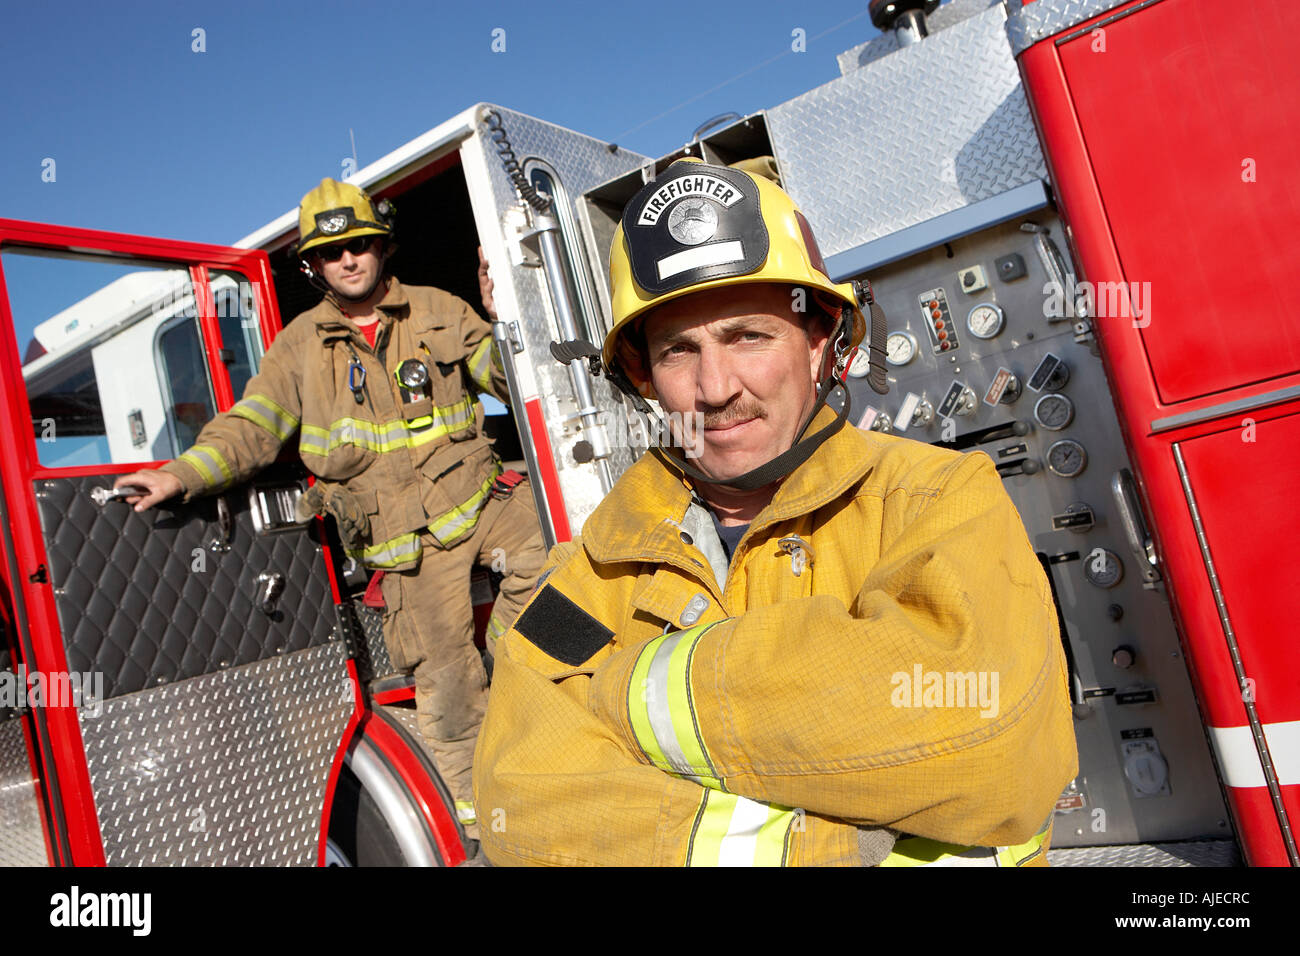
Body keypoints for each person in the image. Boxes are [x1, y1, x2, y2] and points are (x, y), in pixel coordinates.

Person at [472, 157, 1077, 866]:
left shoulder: (939, 499)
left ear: (821, 343)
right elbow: (523, 803)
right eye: (678, 351)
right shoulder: (591, 572)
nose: (716, 387)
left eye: (748, 337)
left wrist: (621, 702)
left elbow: (985, 735)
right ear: (643, 376)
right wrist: (827, 842)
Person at [116, 178, 546, 841]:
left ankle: (519, 689)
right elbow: (252, 427)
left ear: (382, 248)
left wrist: (509, 319)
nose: (349, 260)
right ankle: (486, 825)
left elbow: (507, 376)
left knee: (553, 562)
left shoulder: (437, 308)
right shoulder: (297, 348)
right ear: (313, 266)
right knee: (449, 684)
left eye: (360, 245)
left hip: (483, 506)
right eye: (332, 250)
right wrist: (180, 476)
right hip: (408, 545)